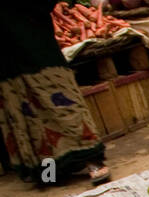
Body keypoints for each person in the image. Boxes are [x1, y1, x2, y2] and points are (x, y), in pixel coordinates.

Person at [1, 1, 110, 186]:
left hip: (31, 33)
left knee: (59, 97)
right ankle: (50, 173)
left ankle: (92, 160)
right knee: (24, 111)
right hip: (4, 51)